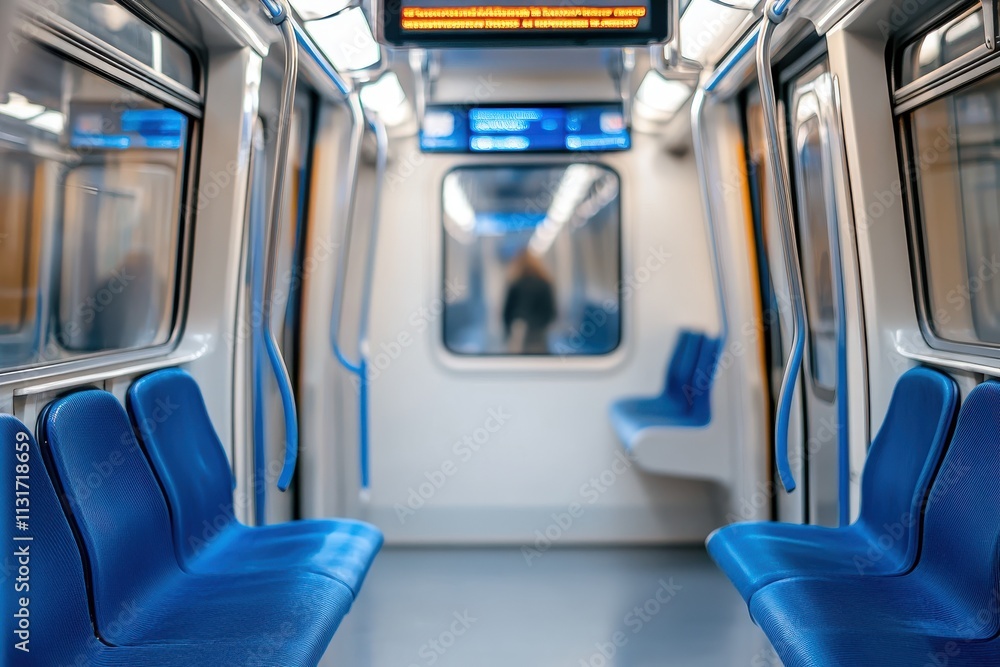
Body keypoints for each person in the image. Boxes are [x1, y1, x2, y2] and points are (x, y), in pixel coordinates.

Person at [502, 250, 557, 354]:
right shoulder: (544, 283)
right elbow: (551, 311)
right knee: (538, 359)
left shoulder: (516, 283)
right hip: (539, 329)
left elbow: (507, 312)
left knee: (518, 359)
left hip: (519, 327)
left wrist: (506, 333)